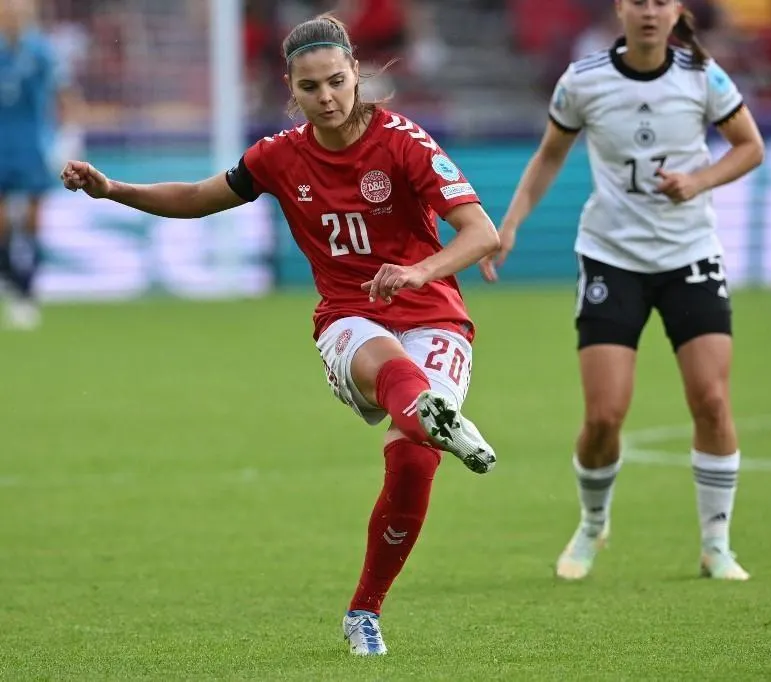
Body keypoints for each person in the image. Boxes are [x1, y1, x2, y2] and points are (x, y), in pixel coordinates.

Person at [61, 14, 500, 657]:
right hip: (350, 317)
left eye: (337, 81)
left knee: (411, 459)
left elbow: (481, 232)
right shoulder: (278, 155)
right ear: (290, 91)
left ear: (357, 73)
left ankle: (364, 610)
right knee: (386, 368)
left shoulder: (405, 142)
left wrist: (416, 272)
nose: (327, 96)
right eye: (311, 86)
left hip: (432, 314)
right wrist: (113, 189)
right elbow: (196, 196)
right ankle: (433, 412)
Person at [481, 0, 765, 582]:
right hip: (612, 257)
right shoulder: (583, 81)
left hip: (690, 255)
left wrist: (699, 180)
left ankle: (717, 544)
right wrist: (507, 226)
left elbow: (750, 146)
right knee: (605, 416)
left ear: (676, 10)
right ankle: (592, 524)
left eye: (661, 2)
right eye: (638, 1)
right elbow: (549, 156)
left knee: (711, 400)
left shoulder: (701, 75)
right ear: (620, 9)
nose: (649, 12)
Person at [0, 0, 76, 329]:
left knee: (33, 221)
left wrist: (68, 139)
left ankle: (28, 291)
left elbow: (64, 95)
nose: (11, 16)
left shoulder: (42, 51)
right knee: (1, 224)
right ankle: (15, 287)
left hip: (33, 146)